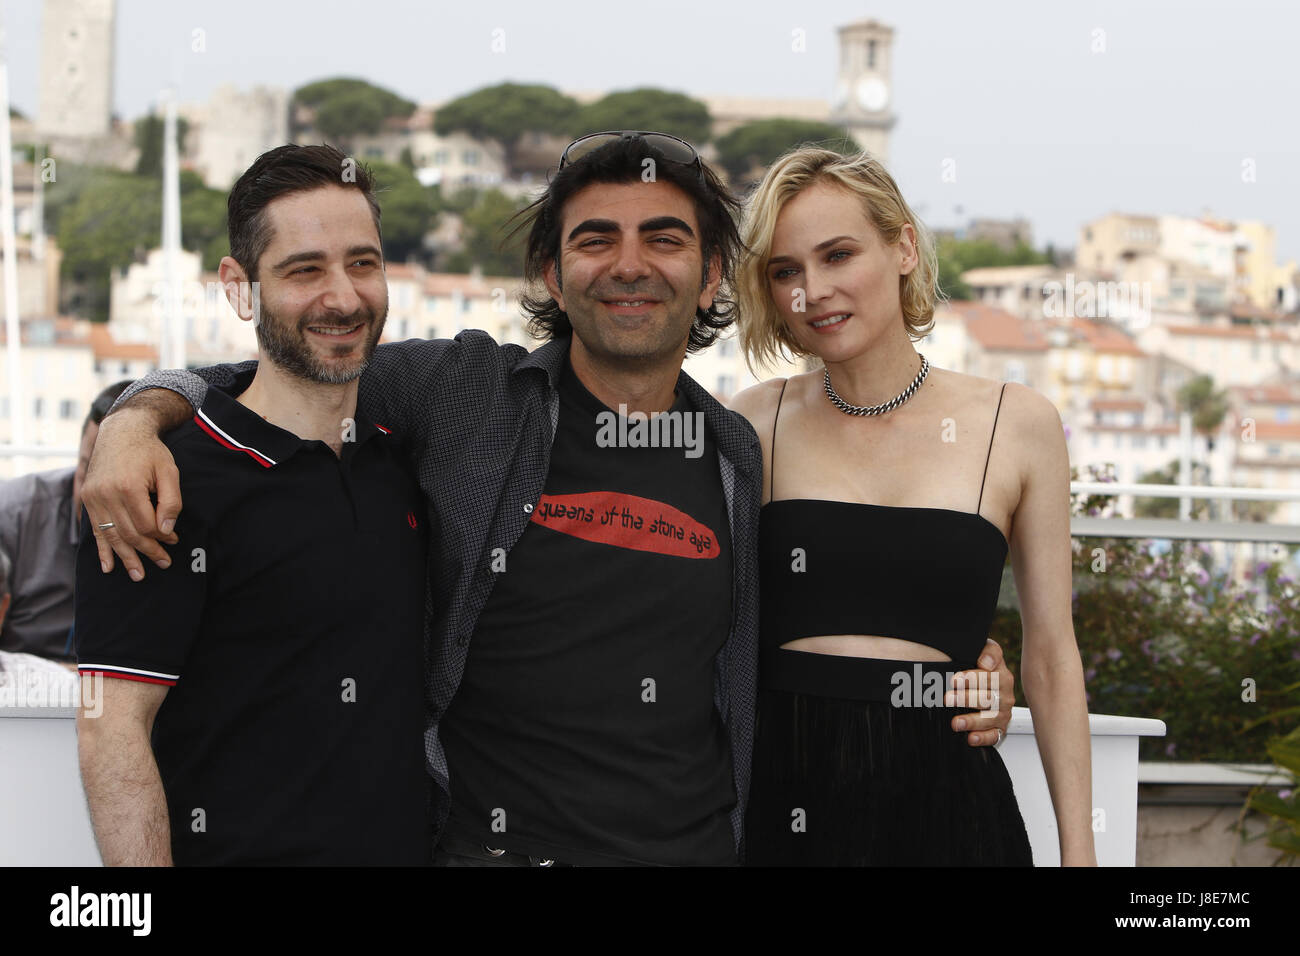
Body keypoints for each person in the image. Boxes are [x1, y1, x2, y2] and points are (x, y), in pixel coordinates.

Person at [81, 133, 1016, 866]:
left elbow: (832, 594)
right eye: (594, 238)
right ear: (549, 273)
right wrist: (135, 416)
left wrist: (968, 658)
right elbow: (288, 366)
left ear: (712, 275)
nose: (629, 263)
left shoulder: (740, 449)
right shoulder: (466, 392)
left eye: (665, 237)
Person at [730, 147, 1096, 866]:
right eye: (785, 271)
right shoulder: (752, 423)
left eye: (838, 255)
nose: (813, 290)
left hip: (950, 808)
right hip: (782, 804)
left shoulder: (1014, 423)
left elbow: (1053, 656)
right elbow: (704, 630)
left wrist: (1080, 858)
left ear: (902, 248)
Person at [74, 145, 430, 865]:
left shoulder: (407, 458)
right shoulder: (164, 481)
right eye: (305, 270)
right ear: (240, 289)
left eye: (362, 263)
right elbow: (112, 730)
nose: (343, 296)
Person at [0, 380, 132, 663]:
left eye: (115, 482)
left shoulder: (187, 532)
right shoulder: (12, 515)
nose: (92, 493)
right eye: (86, 469)